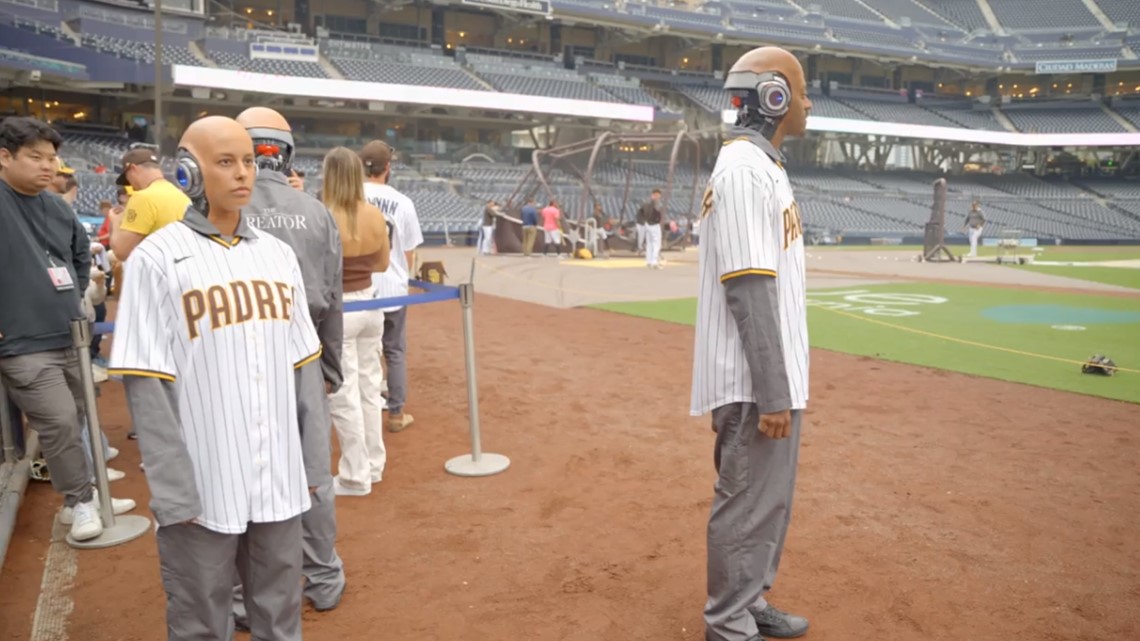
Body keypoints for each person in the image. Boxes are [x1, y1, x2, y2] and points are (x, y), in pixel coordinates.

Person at [109, 115, 327, 641]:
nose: (242, 174)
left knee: (279, 608)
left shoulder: (278, 256)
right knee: (201, 616)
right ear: (187, 171)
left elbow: (304, 367)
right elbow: (146, 381)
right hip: (204, 478)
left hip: (278, 470)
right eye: (225, 162)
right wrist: (173, 489)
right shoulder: (157, 260)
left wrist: (314, 461)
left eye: (248, 161)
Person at [690, 46, 813, 641]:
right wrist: (773, 394)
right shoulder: (742, 168)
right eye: (803, 90)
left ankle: (749, 599)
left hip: (766, 377)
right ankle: (728, 624)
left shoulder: (761, 167)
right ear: (775, 96)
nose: (809, 102)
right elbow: (748, 288)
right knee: (744, 504)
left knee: (766, 502)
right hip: (750, 383)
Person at [230, 106, 347, 624]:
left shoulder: (215, 206)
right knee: (314, 475)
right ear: (288, 154)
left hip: (231, 359)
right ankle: (323, 576)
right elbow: (334, 298)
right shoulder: (316, 211)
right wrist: (332, 369)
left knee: (237, 475)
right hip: (303, 356)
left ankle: (239, 595)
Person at [0, 116, 102, 541]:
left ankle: (81, 498)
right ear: (5, 157)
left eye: (53, 158)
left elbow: (80, 255)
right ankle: (81, 502)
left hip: (68, 336)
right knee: (59, 422)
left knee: (78, 415)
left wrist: (71, 293)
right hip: (23, 344)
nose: (48, 166)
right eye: (36, 157)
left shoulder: (57, 207)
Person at [322, 146, 390, 497]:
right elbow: (381, 264)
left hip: (341, 308)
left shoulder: (323, 215)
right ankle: (373, 466)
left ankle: (355, 475)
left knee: (343, 393)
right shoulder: (375, 214)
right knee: (369, 388)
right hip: (370, 302)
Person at [360, 140, 421, 437]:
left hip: (356, 285)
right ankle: (396, 413)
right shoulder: (403, 201)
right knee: (394, 351)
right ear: (388, 168)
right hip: (393, 284)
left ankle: (364, 412)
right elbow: (408, 252)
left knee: (362, 351)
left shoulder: (348, 196)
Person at [108, 146, 191, 262]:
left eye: (128, 179)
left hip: (158, 272)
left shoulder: (142, 197)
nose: (130, 185)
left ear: (132, 168)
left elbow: (121, 252)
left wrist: (116, 221)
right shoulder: (182, 195)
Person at [642, 189, 665, 269]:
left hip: (647, 224)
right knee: (656, 243)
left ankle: (649, 261)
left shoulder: (646, 203)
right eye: (658, 195)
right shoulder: (654, 203)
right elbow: (657, 213)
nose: (659, 196)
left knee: (649, 243)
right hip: (654, 225)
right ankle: (654, 261)